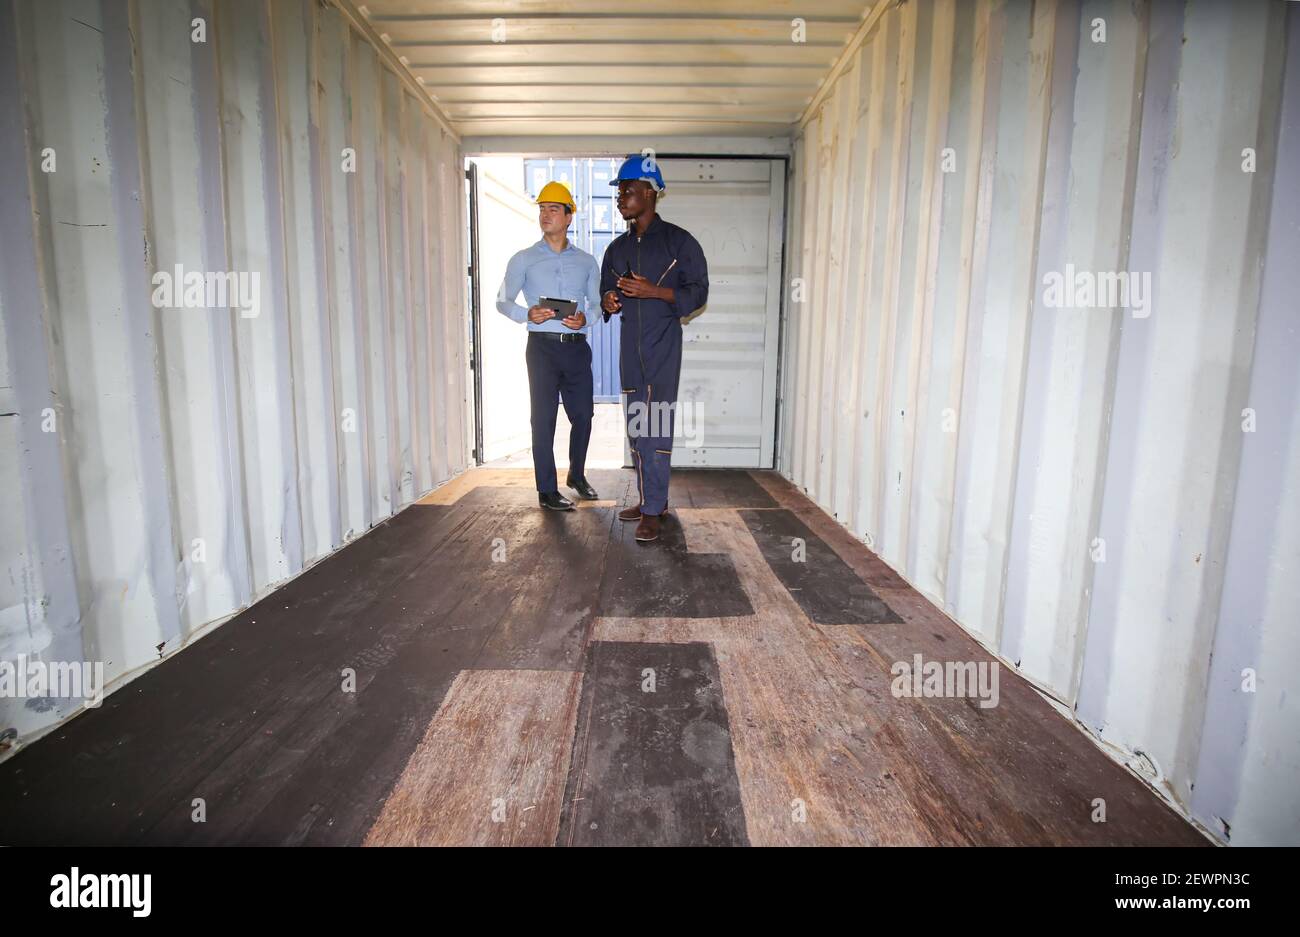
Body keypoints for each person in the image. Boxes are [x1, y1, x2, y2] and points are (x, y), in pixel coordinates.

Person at [600, 156, 709, 542]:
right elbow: (605, 290)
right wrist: (610, 301)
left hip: (663, 346)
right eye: (619, 191)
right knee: (635, 426)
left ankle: (652, 510)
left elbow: (698, 292)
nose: (621, 197)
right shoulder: (617, 249)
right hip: (630, 347)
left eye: (628, 190)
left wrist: (656, 292)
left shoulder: (680, 242)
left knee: (656, 426)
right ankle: (651, 500)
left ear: (650, 192)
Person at [496, 180, 603, 510]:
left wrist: (585, 319)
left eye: (554, 209)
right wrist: (526, 313)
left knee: (583, 415)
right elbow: (502, 301)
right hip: (541, 349)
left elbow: (597, 304)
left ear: (569, 217)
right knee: (542, 419)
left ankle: (577, 475)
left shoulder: (587, 262)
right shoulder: (523, 259)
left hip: (575, 348)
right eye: (542, 209)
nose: (546, 214)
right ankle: (546, 490)